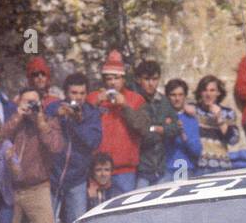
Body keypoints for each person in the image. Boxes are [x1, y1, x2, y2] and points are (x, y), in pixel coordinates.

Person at [3, 87, 64, 223]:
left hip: (38, 188)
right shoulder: (14, 121)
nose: (31, 106)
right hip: (11, 189)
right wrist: (18, 116)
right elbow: (0, 138)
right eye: (27, 102)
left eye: (34, 102)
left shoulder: (49, 122)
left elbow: (55, 146)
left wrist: (40, 122)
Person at [85, 51, 146, 198]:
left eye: (117, 78)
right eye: (109, 78)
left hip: (125, 170)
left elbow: (142, 128)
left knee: (123, 212)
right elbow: (82, 127)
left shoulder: (135, 99)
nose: (112, 82)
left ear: (123, 79)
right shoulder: (93, 98)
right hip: (98, 169)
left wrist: (125, 106)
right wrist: (95, 104)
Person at [48, 71, 103, 223]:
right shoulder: (54, 107)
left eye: (82, 93)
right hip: (52, 176)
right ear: (66, 93)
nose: (78, 97)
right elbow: (42, 130)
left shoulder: (91, 113)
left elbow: (94, 141)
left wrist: (77, 122)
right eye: (74, 93)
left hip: (77, 178)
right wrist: (56, 115)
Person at [132, 59, 179, 189]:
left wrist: (161, 129)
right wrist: (159, 128)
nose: (151, 84)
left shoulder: (164, 101)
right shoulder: (134, 101)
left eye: (154, 79)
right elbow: (142, 133)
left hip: (160, 167)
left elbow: (175, 128)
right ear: (138, 80)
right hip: (140, 168)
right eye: (147, 79)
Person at [193, 75, 241, 172]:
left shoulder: (227, 113)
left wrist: (219, 118)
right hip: (198, 167)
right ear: (200, 93)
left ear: (218, 93)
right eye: (205, 90)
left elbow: (233, 140)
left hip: (221, 165)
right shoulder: (194, 110)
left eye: (212, 90)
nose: (208, 94)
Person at [161, 78, 202, 181]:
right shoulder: (161, 116)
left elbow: (197, 151)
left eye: (180, 95)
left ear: (185, 96)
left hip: (186, 168)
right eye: (173, 95)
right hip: (164, 169)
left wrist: (183, 133)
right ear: (167, 97)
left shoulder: (191, 119)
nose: (177, 99)